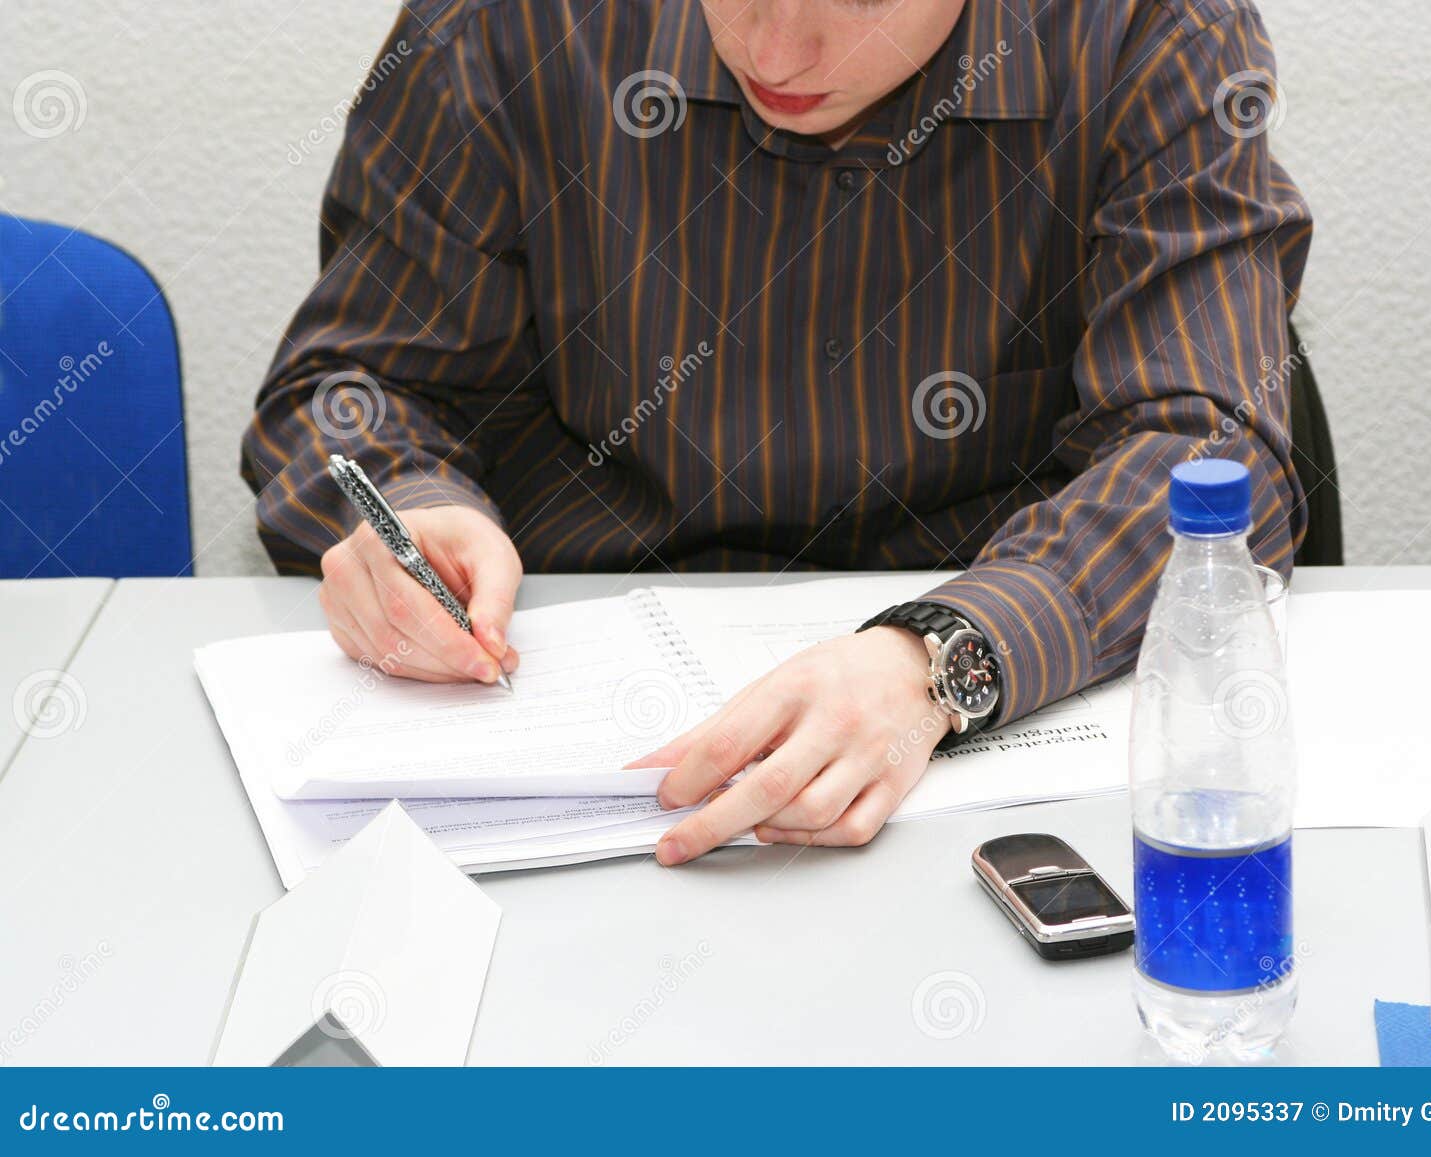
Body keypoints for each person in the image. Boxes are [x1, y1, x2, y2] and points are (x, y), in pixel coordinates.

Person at [242, 0, 1312, 866]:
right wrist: (409, 505)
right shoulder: (505, 26)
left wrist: (940, 656)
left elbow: (1210, 450)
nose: (776, 50)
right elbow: (354, 382)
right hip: (574, 756)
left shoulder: (1147, 32)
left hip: (991, 765)